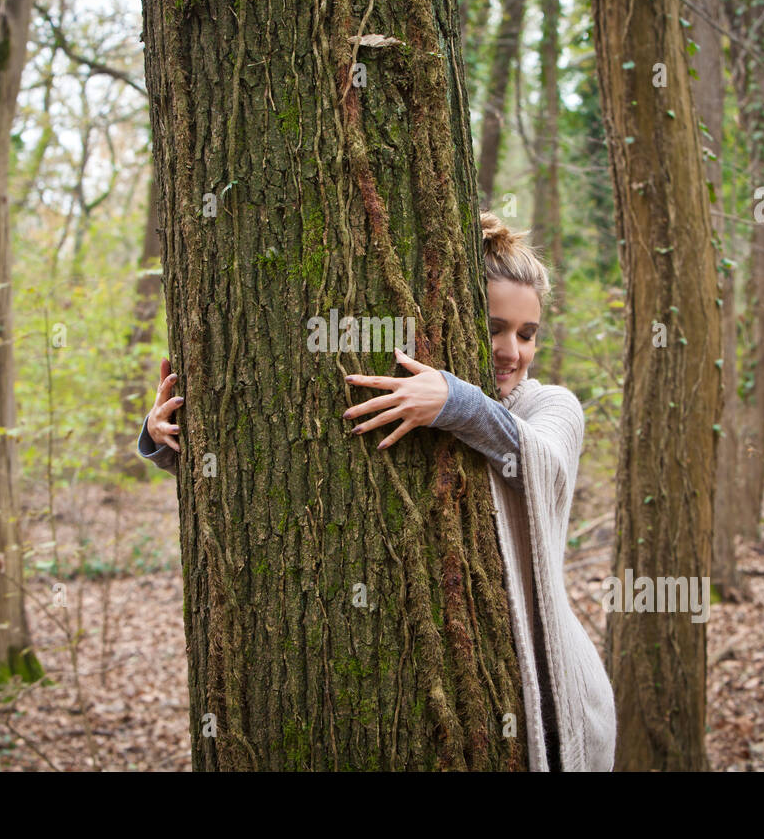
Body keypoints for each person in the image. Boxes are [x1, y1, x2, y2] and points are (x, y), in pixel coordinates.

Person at [136, 212, 616, 771]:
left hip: (562, 695)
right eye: (494, 328)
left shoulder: (550, 404)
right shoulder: (445, 396)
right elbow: (268, 478)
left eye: (527, 333)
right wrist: (166, 440)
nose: (512, 350)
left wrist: (457, 404)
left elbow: (543, 465)